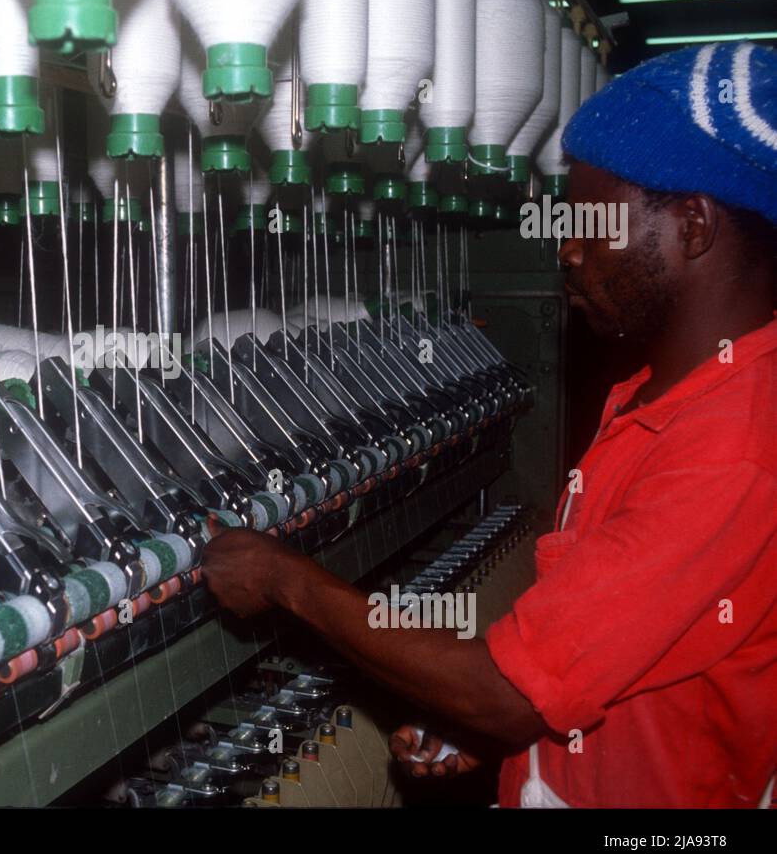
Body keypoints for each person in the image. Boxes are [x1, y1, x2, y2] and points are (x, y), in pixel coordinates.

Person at [200, 41, 777, 807]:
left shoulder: (734, 449)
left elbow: (507, 690)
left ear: (694, 226)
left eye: (590, 223)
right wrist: (504, 735)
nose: (566, 252)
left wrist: (284, 578)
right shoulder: (655, 398)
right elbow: (591, 664)